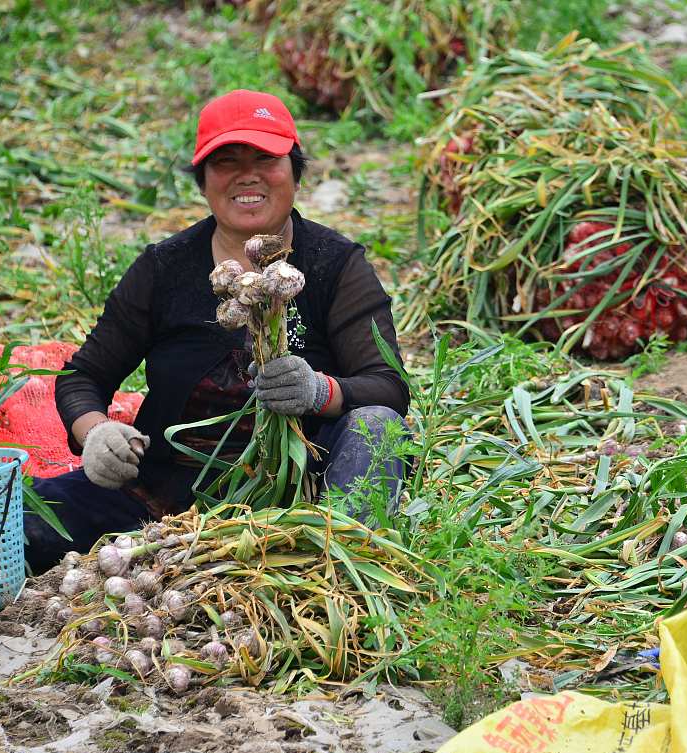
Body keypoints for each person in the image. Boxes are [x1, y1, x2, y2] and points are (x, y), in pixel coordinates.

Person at [24, 89, 410, 574]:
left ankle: (338, 569)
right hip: (165, 502)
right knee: (15, 522)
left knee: (378, 426)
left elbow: (388, 387)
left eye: (265, 159)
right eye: (227, 162)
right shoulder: (165, 268)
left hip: (305, 504)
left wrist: (319, 391)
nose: (248, 175)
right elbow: (83, 376)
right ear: (203, 183)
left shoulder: (335, 265)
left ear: (295, 174)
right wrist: (96, 432)